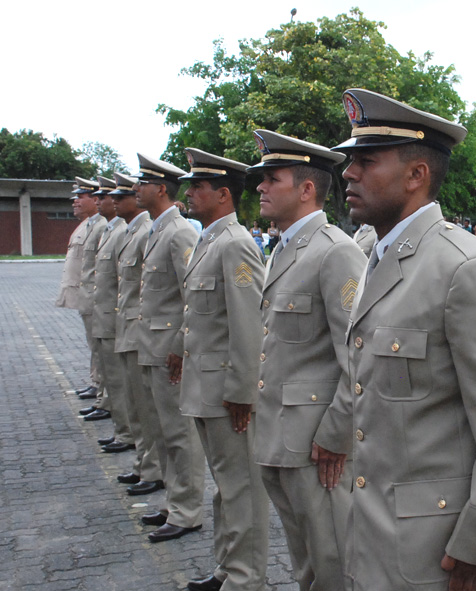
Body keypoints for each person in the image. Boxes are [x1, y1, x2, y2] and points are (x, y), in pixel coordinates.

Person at [313, 88, 476, 591]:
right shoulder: (379, 256)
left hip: (438, 550)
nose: (348, 173)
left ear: (416, 175)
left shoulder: (464, 268)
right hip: (378, 532)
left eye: (366, 161)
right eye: (351, 162)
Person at [250, 129, 366, 591]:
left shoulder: (334, 251)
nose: (259, 187)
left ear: (306, 189)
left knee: (332, 561)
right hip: (281, 436)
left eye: (270, 178)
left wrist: (337, 435)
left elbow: (356, 356)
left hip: (317, 446)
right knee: (307, 563)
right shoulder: (284, 248)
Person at [177, 148, 268, 591]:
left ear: (224, 194)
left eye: (199, 186)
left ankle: (245, 579)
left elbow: (249, 324)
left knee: (241, 491)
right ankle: (226, 569)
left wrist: (243, 392)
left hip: (227, 394)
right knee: (224, 488)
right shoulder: (209, 239)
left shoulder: (235, 244)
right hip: (206, 389)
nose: (190, 193)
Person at [132, 153, 205, 541]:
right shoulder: (156, 230)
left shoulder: (180, 233)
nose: (135, 189)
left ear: (161, 188)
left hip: (169, 351)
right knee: (162, 432)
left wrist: (180, 346)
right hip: (150, 344)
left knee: (179, 435)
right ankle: (174, 501)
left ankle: (188, 509)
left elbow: (190, 296)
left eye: (143, 183)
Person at [110, 172, 165, 490]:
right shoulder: (140, 231)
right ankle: (146, 464)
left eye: (125, 194)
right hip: (131, 328)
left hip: (147, 334)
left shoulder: (149, 231)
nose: (122, 197)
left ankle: (153, 468)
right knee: (136, 406)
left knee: (150, 412)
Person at [89, 175, 135, 451]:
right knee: (119, 388)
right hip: (109, 319)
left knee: (125, 390)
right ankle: (125, 434)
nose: (109, 201)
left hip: (124, 325)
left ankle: (128, 436)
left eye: (118, 196)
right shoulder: (114, 230)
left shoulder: (124, 232)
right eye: (111, 196)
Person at [57, 177, 100, 400]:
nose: (75, 202)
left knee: (99, 345)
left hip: (96, 297)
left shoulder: (100, 225)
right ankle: (97, 383)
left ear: (95, 199)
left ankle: (100, 386)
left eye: (80, 197)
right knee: (93, 342)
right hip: (85, 296)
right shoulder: (86, 225)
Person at [77, 179, 109, 419]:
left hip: (105, 303)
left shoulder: (103, 227)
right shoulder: (96, 226)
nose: (99, 200)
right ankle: (101, 394)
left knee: (107, 358)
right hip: (93, 298)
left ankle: (105, 399)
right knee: (98, 352)